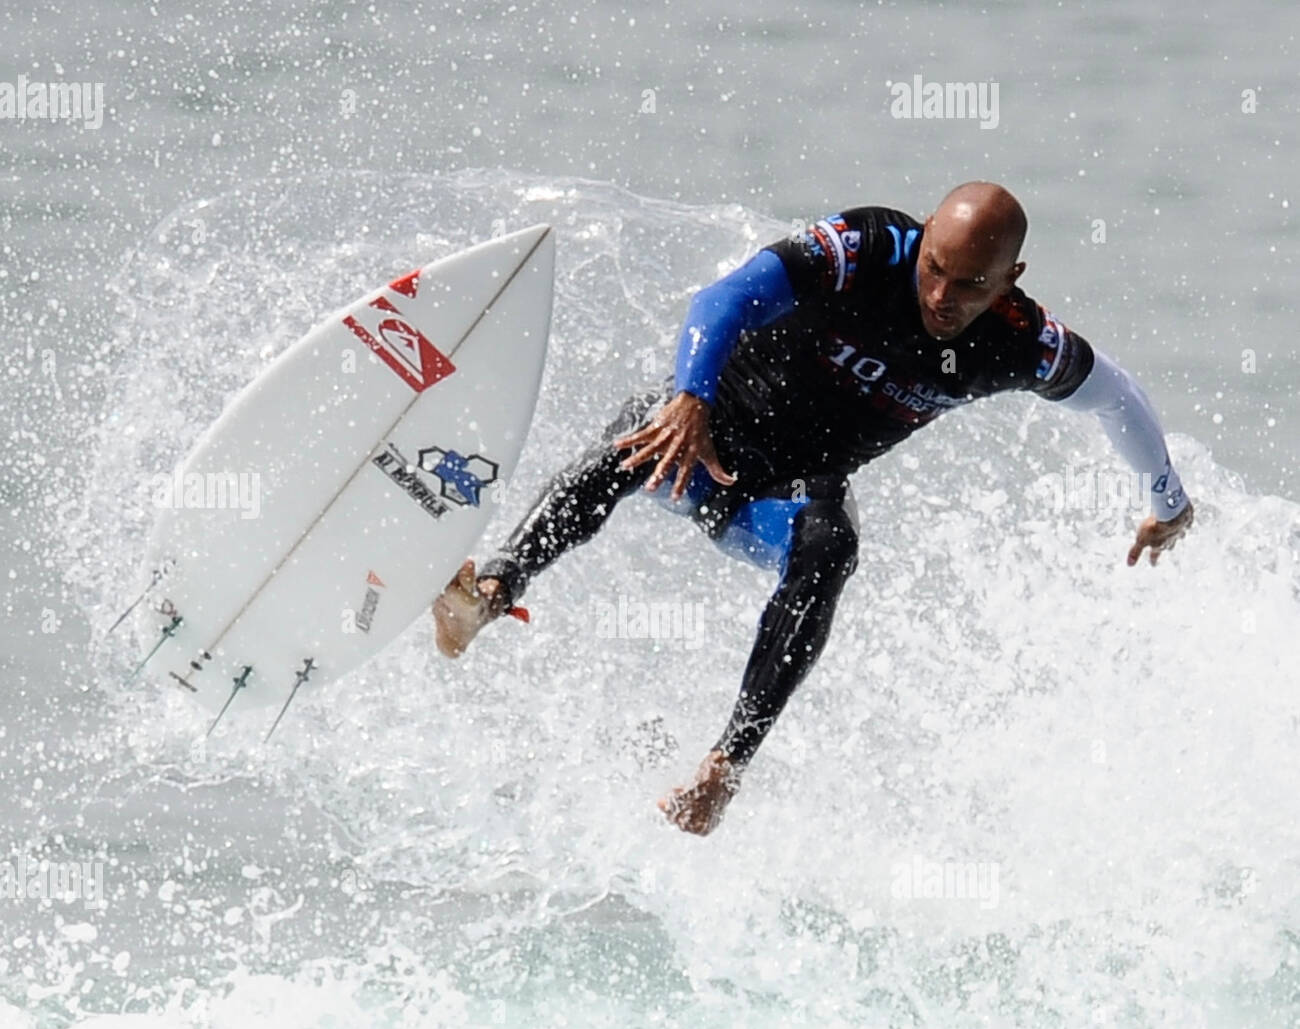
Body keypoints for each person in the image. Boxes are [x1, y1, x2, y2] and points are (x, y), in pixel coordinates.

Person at [432, 182, 1194, 836]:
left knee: (833, 546)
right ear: (922, 240)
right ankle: (489, 593)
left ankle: (723, 767)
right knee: (645, 432)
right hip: (698, 446)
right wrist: (693, 396)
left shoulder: (1021, 342)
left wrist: (1168, 503)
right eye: (934, 268)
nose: (941, 297)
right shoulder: (865, 249)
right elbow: (723, 299)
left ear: (1009, 280)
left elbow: (1118, 398)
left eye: (969, 285)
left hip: (777, 502)